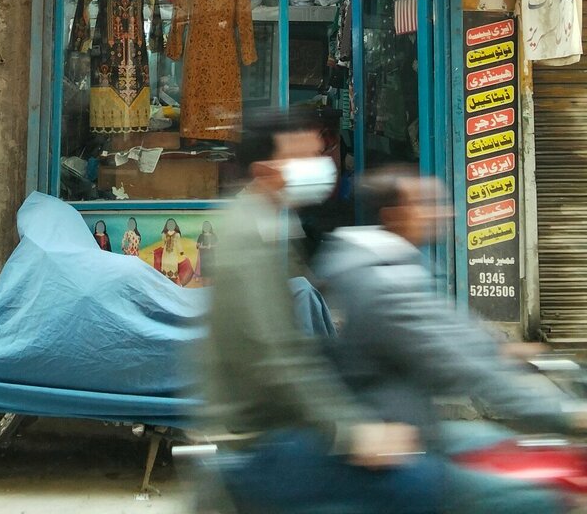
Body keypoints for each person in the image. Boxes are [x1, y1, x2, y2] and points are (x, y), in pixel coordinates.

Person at [202, 108, 444, 514]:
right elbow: (275, 359)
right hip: (261, 439)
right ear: (266, 170)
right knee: (425, 484)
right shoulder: (245, 236)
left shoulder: (268, 222)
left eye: (318, 154)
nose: (318, 166)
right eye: (303, 157)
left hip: (275, 427)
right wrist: (352, 432)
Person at [316, 171, 587, 514]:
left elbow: (451, 327)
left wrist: (502, 349)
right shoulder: (382, 286)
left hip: (417, 426)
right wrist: (562, 415)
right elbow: (456, 366)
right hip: (397, 448)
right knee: (541, 496)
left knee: (499, 442)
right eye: (426, 204)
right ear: (393, 215)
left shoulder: (396, 263)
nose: (444, 213)